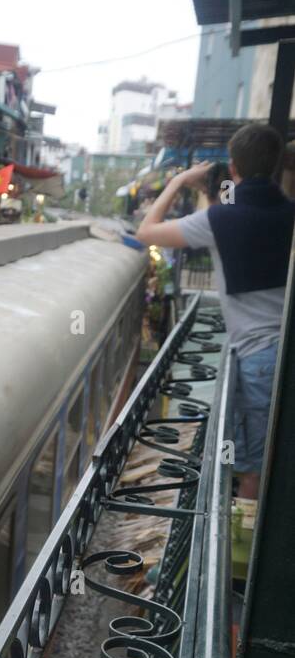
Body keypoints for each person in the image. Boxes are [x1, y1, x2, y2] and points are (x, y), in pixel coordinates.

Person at [137, 125, 294, 498]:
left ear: (234, 164)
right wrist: (214, 190)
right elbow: (232, 206)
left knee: (253, 470)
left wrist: (178, 181)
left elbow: (146, 231)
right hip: (285, 350)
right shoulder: (285, 211)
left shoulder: (220, 220)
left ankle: (243, 547)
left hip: (258, 358)